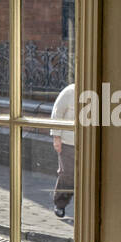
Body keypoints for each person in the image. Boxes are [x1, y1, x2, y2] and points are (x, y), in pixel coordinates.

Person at [49, 82, 75, 218]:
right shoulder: (69, 92)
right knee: (68, 175)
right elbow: (57, 113)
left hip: (90, 143)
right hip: (68, 142)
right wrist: (56, 137)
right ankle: (60, 204)